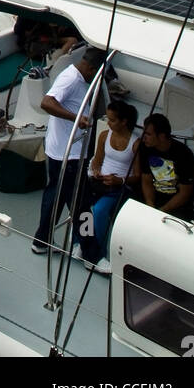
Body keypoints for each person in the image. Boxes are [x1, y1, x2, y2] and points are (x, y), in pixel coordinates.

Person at [31, 46, 107, 255]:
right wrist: (76, 119)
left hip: (62, 152)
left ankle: (41, 240)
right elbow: (46, 102)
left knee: (55, 197)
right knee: (82, 205)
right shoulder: (72, 80)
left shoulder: (75, 75)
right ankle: (92, 253)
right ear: (92, 69)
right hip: (69, 156)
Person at [75, 99, 139, 271]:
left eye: (112, 120)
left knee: (99, 211)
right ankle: (83, 244)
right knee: (84, 207)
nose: (108, 123)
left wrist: (120, 180)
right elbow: (97, 161)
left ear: (124, 121)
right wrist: (96, 171)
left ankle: (97, 253)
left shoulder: (135, 144)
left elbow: (138, 176)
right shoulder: (104, 136)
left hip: (118, 187)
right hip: (100, 183)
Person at [139, 113, 194, 219]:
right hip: (154, 199)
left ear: (161, 136)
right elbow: (146, 180)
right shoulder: (145, 148)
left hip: (177, 205)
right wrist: (150, 206)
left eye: (148, 134)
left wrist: (161, 211)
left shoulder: (184, 154)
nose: (143, 138)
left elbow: (185, 193)